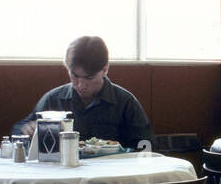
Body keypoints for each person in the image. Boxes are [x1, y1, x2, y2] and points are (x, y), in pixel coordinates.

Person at [13, 36, 153, 149]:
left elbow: (146, 144)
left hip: (111, 176)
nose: (80, 85)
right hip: (63, 176)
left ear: (105, 70)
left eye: (89, 78)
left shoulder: (125, 102)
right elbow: (18, 131)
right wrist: (26, 130)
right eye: (74, 76)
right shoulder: (54, 99)